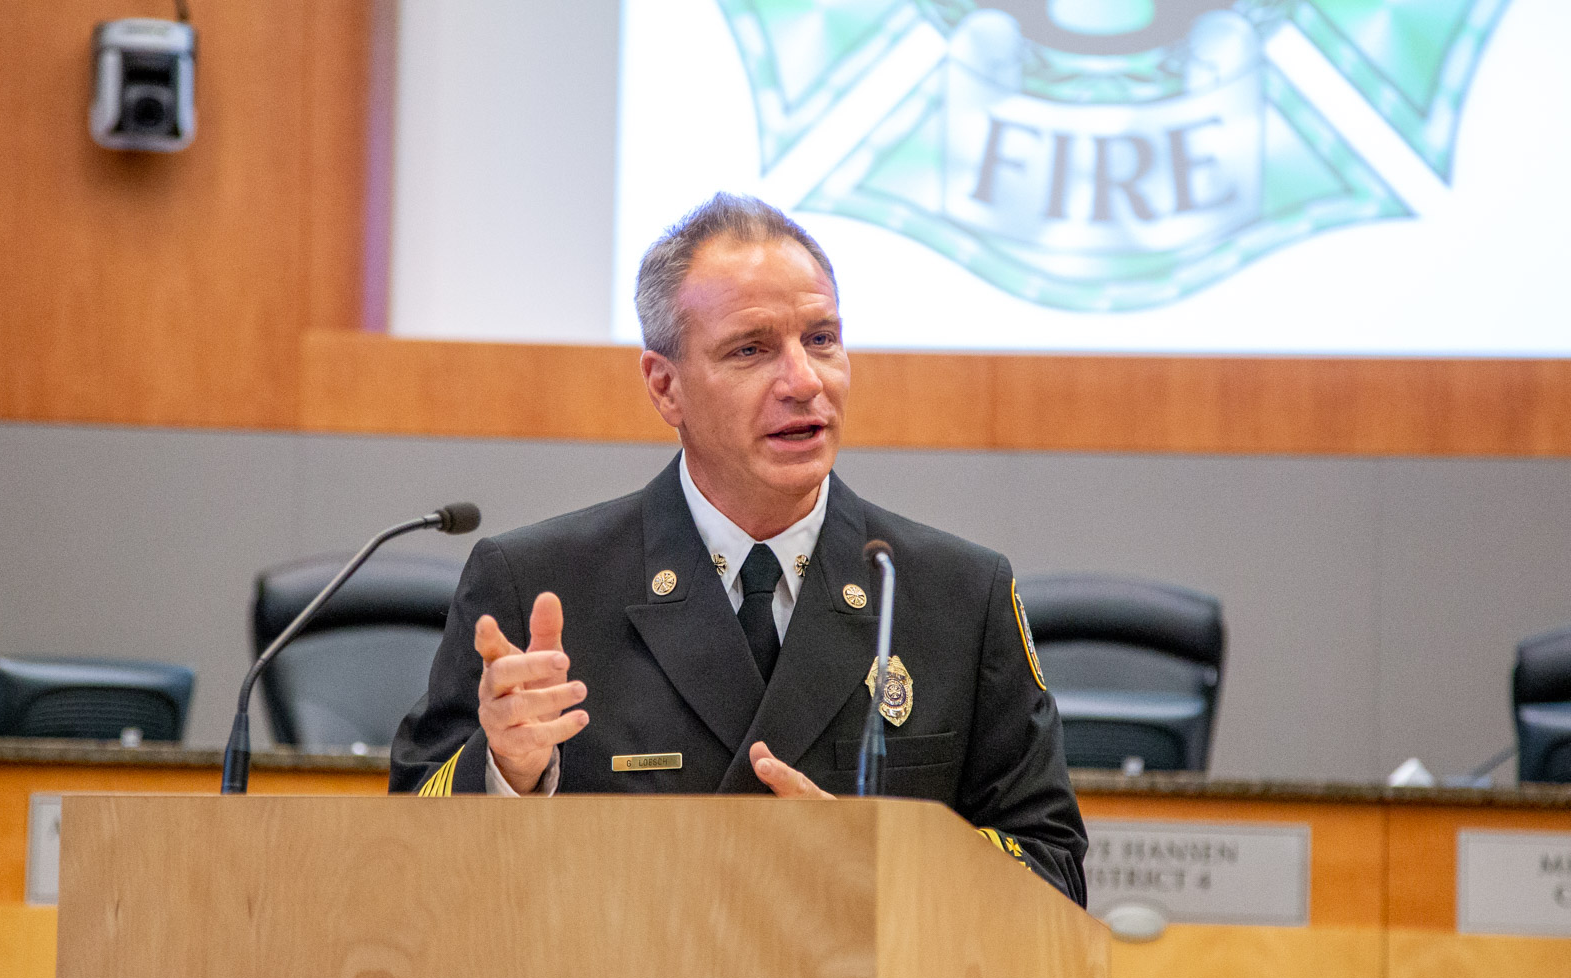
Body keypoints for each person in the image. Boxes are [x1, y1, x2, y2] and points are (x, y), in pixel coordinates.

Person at [390, 193, 1088, 902]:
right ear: (665, 386)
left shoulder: (957, 594)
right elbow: (404, 865)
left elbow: (1052, 868)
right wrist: (505, 773)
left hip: (860, 975)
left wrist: (882, 862)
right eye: (751, 350)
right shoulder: (539, 584)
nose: (804, 381)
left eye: (822, 339)